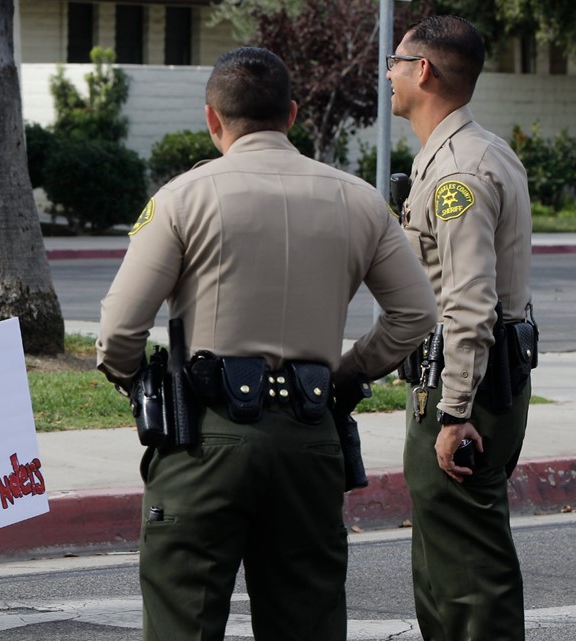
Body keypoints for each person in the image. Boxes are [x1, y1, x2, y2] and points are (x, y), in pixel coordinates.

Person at [96, 46, 436, 641]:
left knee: (185, 621)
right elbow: (415, 314)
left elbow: (118, 334)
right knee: (307, 622)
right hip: (310, 437)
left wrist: (140, 388)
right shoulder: (359, 200)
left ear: (212, 119)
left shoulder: (182, 198)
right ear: (293, 113)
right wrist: (350, 375)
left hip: (204, 438)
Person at [387, 15, 535, 641]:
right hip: (482, 379)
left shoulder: (457, 175)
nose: (388, 74)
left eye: (394, 62)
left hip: (465, 389)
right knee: (446, 561)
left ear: (422, 71)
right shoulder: (476, 151)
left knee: (467, 574)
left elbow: (469, 302)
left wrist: (452, 413)